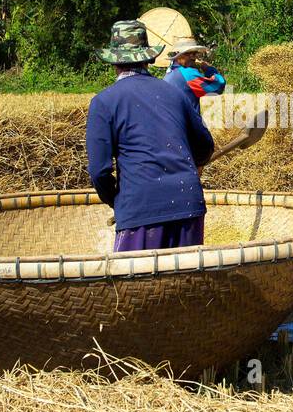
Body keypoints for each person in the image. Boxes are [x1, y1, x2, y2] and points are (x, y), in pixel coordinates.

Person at [86, 20, 215, 251]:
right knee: (186, 285)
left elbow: (99, 171)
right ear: (149, 58)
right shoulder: (174, 94)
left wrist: (117, 201)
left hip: (140, 210)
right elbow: (204, 147)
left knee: (135, 285)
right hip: (188, 205)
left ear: (114, 61)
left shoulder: (104, 102)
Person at [163, 35, 225, 111]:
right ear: (179, 56)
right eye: (189, 54)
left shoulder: (170, 72)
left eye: (194, 53)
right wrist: (209, 69)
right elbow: (217, 87)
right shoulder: (188, 74)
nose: (194, 57)